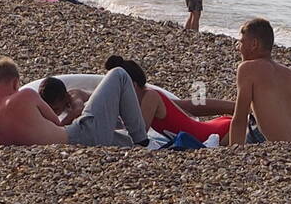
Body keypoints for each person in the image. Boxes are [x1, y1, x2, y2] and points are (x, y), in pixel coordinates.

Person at [0, 59, 150, 147]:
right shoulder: (26, 95)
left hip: (77, 141)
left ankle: (136, 142)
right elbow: (56, 123)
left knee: (121, 140)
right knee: (118, 74)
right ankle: (142, 141)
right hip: (76, 137)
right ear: (15, 82)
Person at [97, 56, 236, 144]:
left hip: (217, 132)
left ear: (132, 85)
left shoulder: (150, 97)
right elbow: (188, 106)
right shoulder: (147, 97)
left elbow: (138, 133)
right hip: (212, 126)